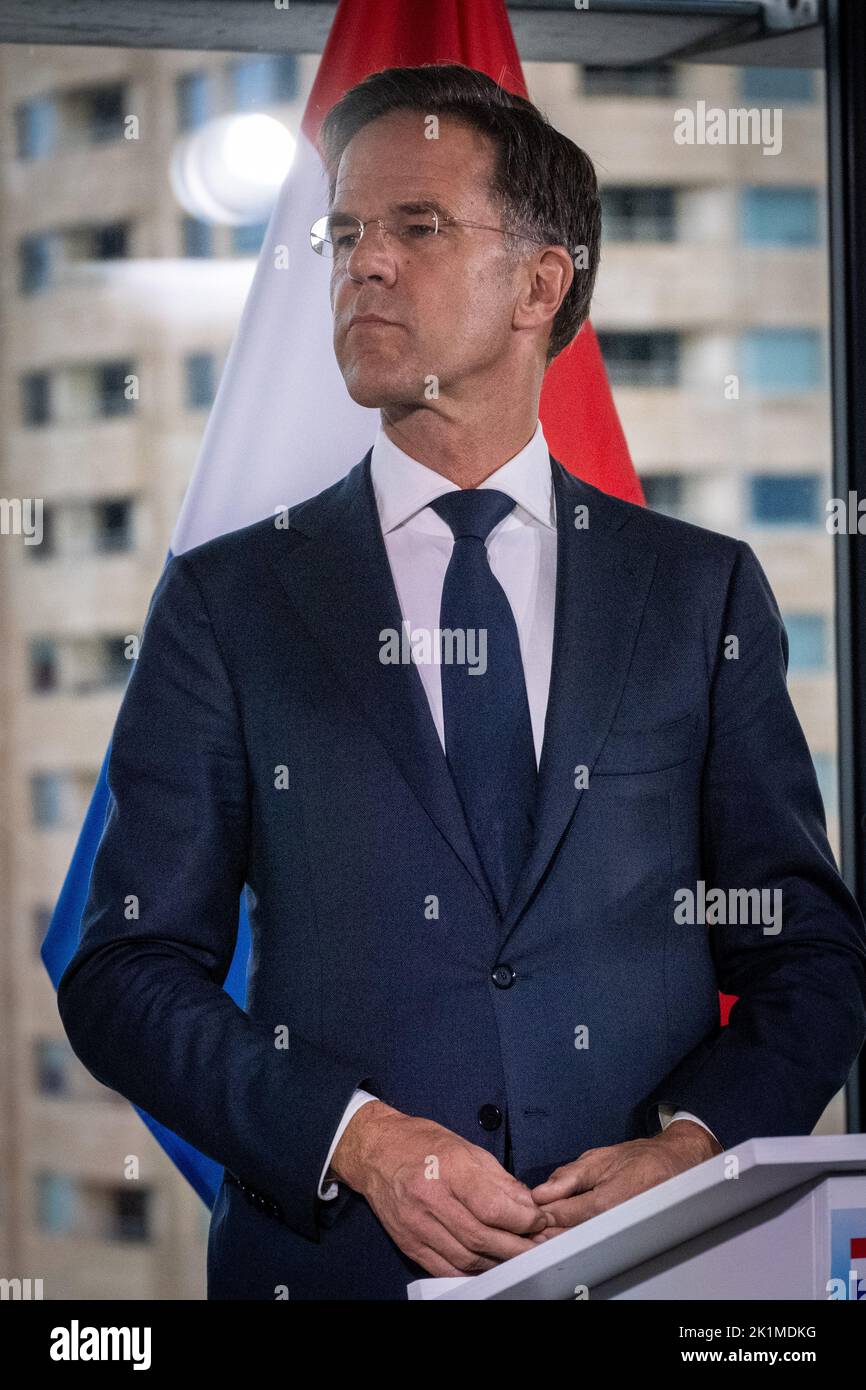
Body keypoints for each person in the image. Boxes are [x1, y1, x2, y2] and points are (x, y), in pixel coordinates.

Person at [57, 63, 866, 1301]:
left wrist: (693, 1147)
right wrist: (356, 1140)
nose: (360, 264)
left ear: (543, 281)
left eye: (416, 226)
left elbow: (807, 953)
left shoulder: (696, 590)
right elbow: (122, 970)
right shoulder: (229, 600)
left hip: (655, 1277)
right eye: (343, 233)